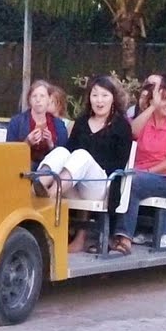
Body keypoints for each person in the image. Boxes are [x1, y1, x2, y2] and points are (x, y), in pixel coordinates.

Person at [38, 75, 135, 252]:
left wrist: (89, 164)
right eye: (95, 95)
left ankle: (49, 197)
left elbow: (119, 164)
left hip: (101, 184)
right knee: (61, 151)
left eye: (104, 95)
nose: (99, 100)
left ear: (113, 98)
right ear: (89, 98)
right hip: (74, 183)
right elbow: (68, 151)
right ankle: (36, 188)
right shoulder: (82, 122)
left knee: (82, 155)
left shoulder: (121, 126)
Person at [111, 81, 166, 255]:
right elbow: (131, 132)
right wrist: (151, 108)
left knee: (132, 182)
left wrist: (147, 172)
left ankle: (124, 238)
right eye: (163, 99)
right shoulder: (144, 123)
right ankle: (107, 233)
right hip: (139, 175)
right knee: (116, 181)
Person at [6, 80, 69, 165]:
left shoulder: (59, 125)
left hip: (51, 169)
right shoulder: (16, 122)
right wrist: (27, 143)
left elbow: (65, 155)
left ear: (49, 99)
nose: (38, 100)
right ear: (29, 100)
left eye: (42, 96)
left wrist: (51, 145)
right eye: (34, 96)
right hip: (23, 168)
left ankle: (41, 176)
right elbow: (9, 154)